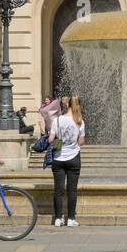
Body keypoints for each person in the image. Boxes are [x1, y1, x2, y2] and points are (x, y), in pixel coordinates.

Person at [49, 96, 87, 227]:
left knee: (58, 190)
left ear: (67, 105)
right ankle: (71, 218)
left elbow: (50, 139)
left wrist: (59, 139)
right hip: (74, 158)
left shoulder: (57, 120)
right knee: (72, 190)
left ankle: (58, 218)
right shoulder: (80, 121)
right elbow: (81, 142)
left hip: (59, 158)